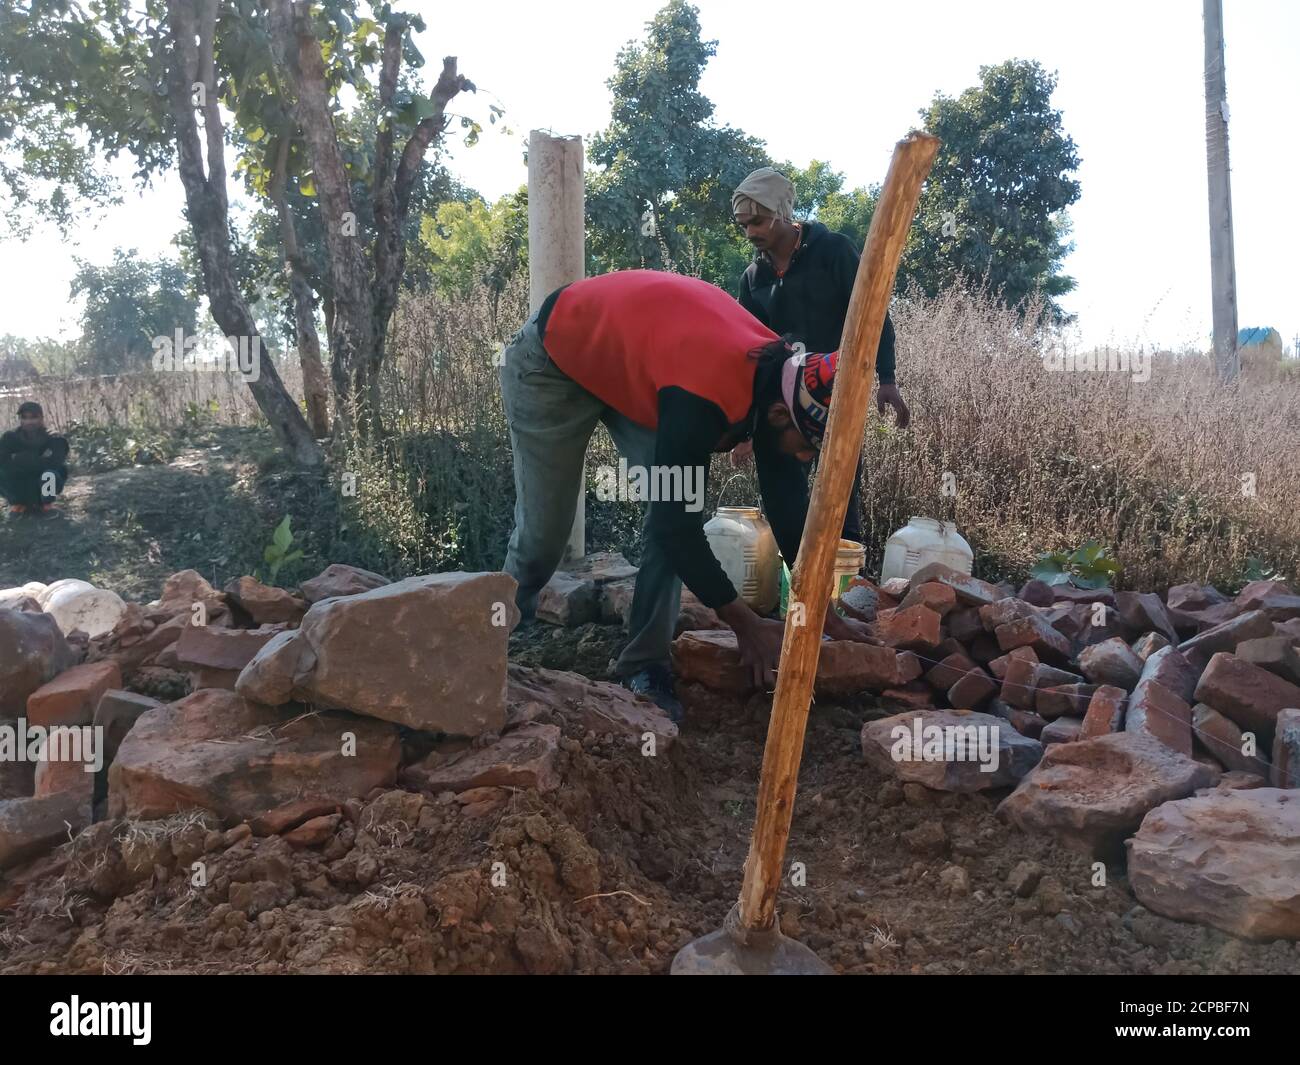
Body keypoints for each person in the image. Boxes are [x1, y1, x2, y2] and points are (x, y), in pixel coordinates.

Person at [500, 269, 873, 720]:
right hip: (554, 358)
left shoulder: (783, 383)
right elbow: (677, 525)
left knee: (670, 510)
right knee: (544, 537)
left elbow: (788, 505)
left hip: (638, 366)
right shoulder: (703, 394)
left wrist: (819, 608)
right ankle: (487, 645)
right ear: (778, 416)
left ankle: (644, 665)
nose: (802, 460)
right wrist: (745, 624)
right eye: (806, 448)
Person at [732, 167, 910, 543]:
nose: (751, 233)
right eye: (743, 225)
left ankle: (844, 594)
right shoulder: (753, 278)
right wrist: (745, 428)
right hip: (778, 410)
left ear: (782, 212)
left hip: (834, 401)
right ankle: (799, 594)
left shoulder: (834, 252)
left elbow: (873, 315)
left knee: (839, 505)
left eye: (758, 221)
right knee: (784, 510)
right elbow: (750, 352)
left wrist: (887, 379)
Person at [0, 401, 70, 516]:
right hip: (20, 482)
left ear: (41, 418)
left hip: (43, 482)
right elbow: (3, 460)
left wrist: (19, 458)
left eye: (33, 417)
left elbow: (54, 463)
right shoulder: (10, 437)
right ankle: (18, 505)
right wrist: (35, 459)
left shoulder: (55, 438)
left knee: (50, 474)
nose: (29, 421)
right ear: (21, 419)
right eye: (25, 417)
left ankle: (47, 506)